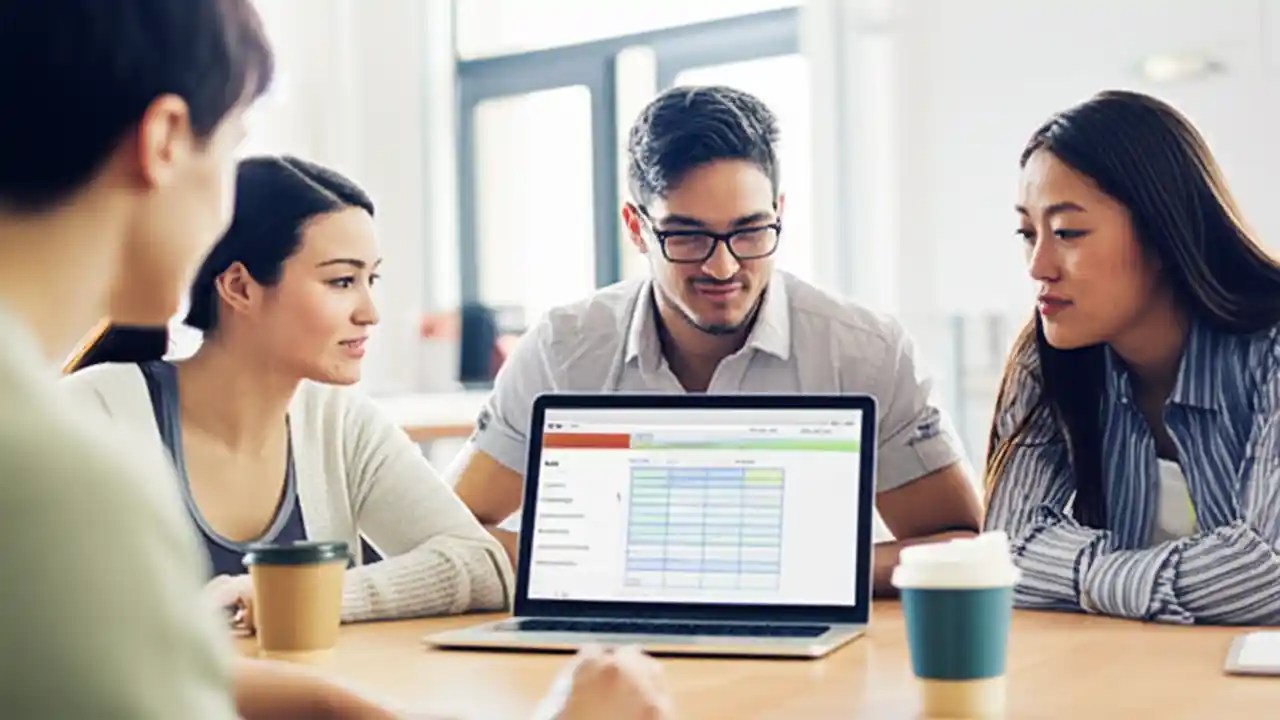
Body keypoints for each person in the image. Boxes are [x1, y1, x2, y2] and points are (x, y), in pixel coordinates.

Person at [0, 1, 669, 717]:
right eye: (230, 147)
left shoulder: (46, 434)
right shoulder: (57, 468)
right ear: (165, 140)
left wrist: (328, 697)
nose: (370, 311)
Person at [450, 85, 982, 592]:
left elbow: (960, 545)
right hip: (609, 647)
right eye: (688, 236)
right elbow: (453, 527)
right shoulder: (562, 349)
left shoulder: (866, 352)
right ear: (637, 228)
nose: (723, 265)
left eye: (750, 231)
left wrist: (788, 573)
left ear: (781, 213)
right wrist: (609, 568)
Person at [64, 155, 511, 629]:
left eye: (370, 279)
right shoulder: (95, 414)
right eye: (342, 281)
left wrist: (299, 597)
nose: (370, 312)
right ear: (240, 287)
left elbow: (482, 566)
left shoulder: (341, 424)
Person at [985, 90, 1280, 625]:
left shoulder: (1272, 349)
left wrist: (1086, 576)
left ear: (1165, 234)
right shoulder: (1046, 353)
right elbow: (1007, 551)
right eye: (1028, 234)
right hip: (1146, 672)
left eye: (1068, 232)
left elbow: (1267, 571)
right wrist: (1135, 579)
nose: (1038, 266)